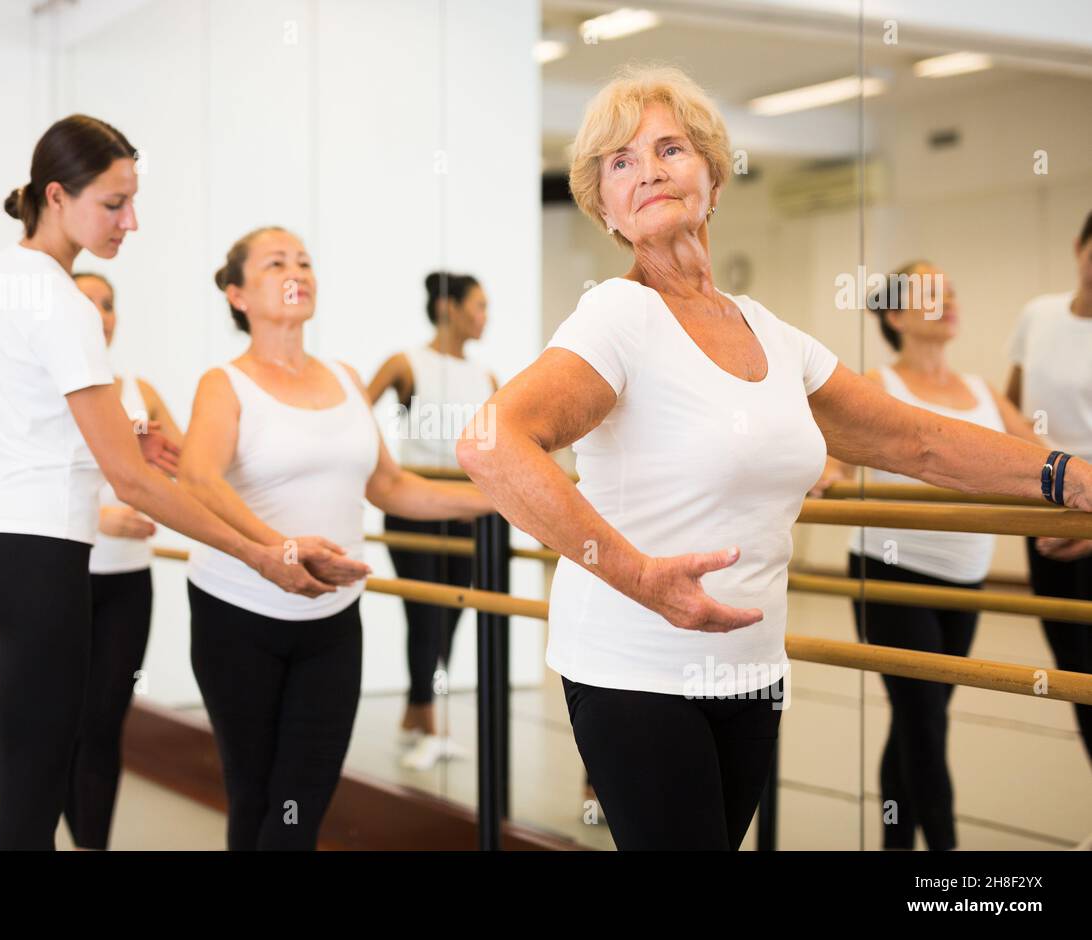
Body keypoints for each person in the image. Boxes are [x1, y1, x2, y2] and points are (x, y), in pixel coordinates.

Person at [455, 64, 1092, 850]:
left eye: (670, 149)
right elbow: (488, 442)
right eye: (622, 161)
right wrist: (638, 576)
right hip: (636, 669)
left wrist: (1065, 477)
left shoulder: (771, 333)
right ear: (608, 210)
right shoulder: (618, 317)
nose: (649, 170)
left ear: (714, 181)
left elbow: (913, 438)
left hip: (750, 667)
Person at [0, 116, 363, 852]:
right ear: (58, 195)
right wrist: (260, 553)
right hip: (38, 565)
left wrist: (133, 431)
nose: (131, 221)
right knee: (30, 805)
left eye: (133, 201)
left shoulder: (0, 276)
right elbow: (132, 483)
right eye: (114, 203)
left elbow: (27, 416)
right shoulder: (65, 300)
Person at [179, 226, 493, 850]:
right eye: (275, 263)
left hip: (331, 622)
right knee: (256, 794)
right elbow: (195, 479)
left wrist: (498, 500)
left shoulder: (346, 378)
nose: (296, 270)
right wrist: (282, 550)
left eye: (304, 260)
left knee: (303, 800)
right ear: (238, 294)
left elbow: (391, 485)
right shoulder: (225, 382)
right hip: (238, 617)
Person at [812, 261, 1044, 850]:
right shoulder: (877, 385)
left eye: (951, 289)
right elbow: (836, 456)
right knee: (925, 721)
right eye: (930, 293)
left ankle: (896, 848)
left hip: (965, 578)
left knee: (918, 718)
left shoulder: (984, 391)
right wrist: (824, 471)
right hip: (891, 574)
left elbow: (1040, 460)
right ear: (895, 316)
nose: (948, 299)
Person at [62, 271, 184, 850]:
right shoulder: (46, 387)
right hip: (61, 579)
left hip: (128, 581)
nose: (100, 315)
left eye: (108, 305)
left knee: (105, 722)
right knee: (62, 724)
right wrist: (98, 519)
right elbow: (18, 487)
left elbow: (191, 466)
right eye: (87, 304)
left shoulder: (139, 388)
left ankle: (92, 846)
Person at [367, 271, 497, 770]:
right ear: (448, 308)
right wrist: (385, 471)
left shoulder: (485, 376)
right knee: (425, 614)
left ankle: (416, 710)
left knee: (454, 610)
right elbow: (352, 413)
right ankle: (424, 715)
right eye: (478, 306)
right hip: (412, 509)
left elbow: (503, 437)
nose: (484, 317)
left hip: (465, 512)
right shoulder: (406, 363)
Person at [1005, 209, 1092, 772]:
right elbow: (1007, 404)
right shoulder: (1038, 314)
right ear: (1079, 244)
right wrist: (1041, 471)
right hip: (1048, 505)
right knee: (1072, 668)